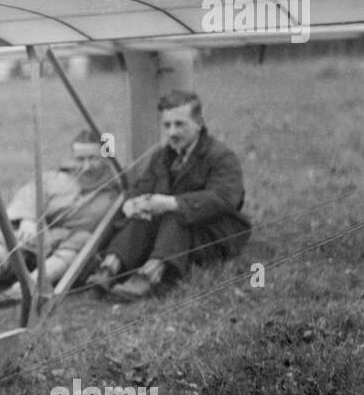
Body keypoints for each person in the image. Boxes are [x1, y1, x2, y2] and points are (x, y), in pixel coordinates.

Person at [86, 90, 250, 301]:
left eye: (180, 124)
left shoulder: (220, 156)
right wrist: (132, 203)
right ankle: (109, 268)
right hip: (171, 237)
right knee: (143, 215)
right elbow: (141, 187)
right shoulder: (163, 156)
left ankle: (150, 276)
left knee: (177, 215)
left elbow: (225, 199)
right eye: (167, 125)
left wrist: (171, 203)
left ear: (198, 123)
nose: (172, 132)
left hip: (214, 234)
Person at [0, 128, 120, 306]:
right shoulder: (54, 179)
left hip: (67, 255)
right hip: (34, 244)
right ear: (73, 158)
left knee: (80, 242)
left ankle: (22, 290)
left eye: (93, 158)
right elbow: (28, 197)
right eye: (81, 159)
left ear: (104, 157)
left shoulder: (114, 191)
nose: (86, 166)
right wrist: (28, 221)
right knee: (11, 239)